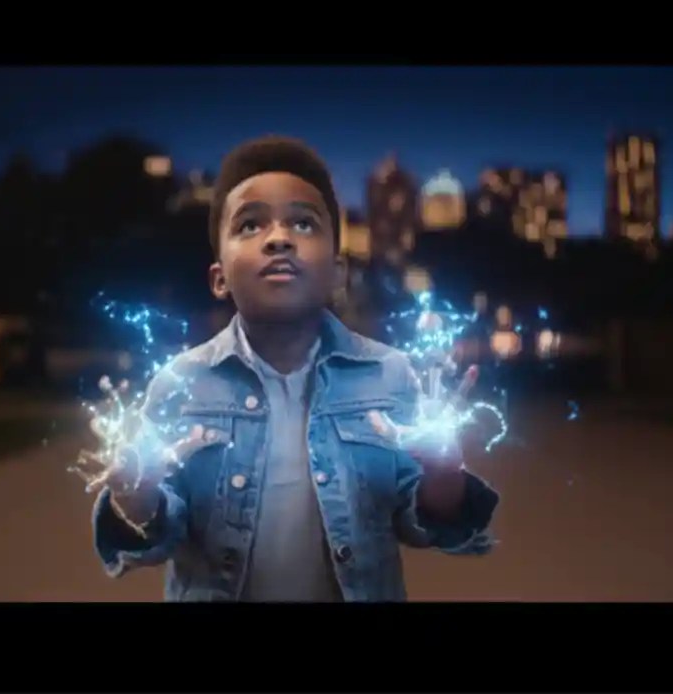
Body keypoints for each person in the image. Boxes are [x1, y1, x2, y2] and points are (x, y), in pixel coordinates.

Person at [82, 135, 500, 602]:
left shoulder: (390, 374)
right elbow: (159, 529)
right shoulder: (180, 384)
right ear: (219, 277)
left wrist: (445, 475)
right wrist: (134, 494)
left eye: (303, 223)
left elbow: (419, 522)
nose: (279, 237)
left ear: (338, 274)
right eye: (250, 225)